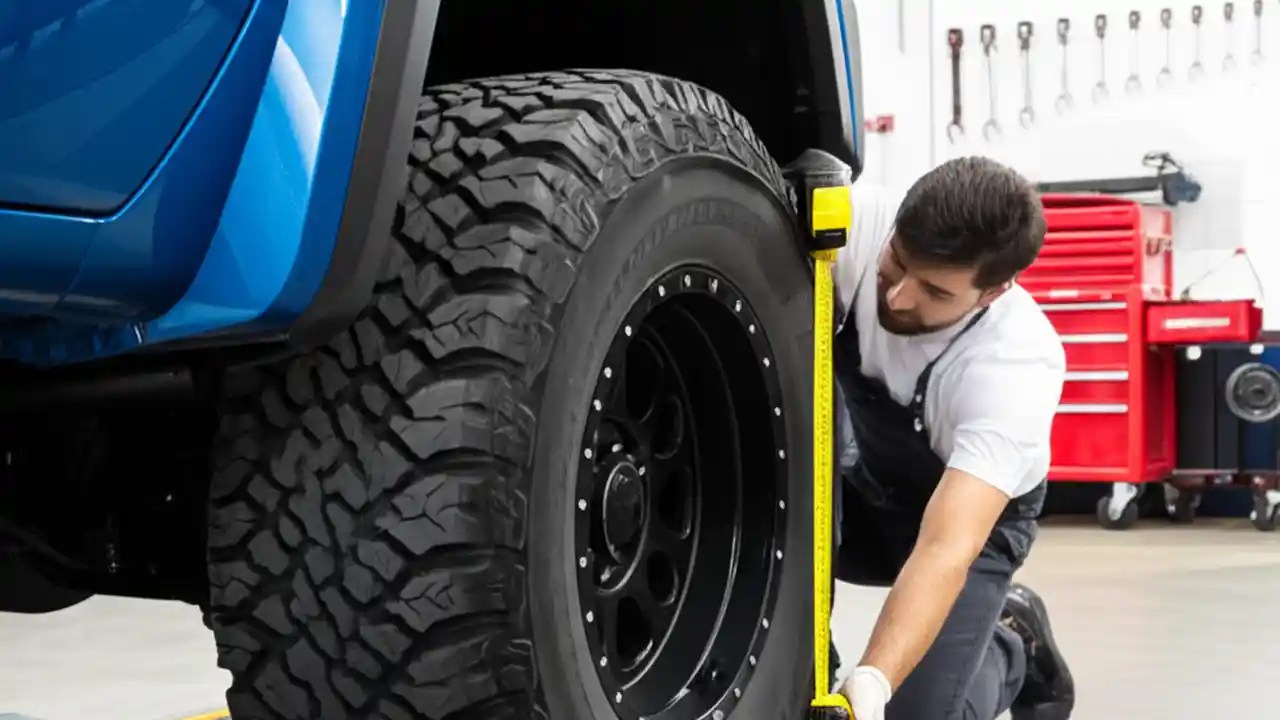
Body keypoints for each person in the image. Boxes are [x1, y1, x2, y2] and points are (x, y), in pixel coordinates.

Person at [828, 156, 1075, 720]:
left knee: (915, 715)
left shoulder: (1013, 366)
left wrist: (872, 681)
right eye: (897, 264)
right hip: (868, 490)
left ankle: (1014, 639)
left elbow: (945, 547)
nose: (898, 298)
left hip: (972, 530)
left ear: (994, 292)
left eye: (935, 292)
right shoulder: (858, 220)